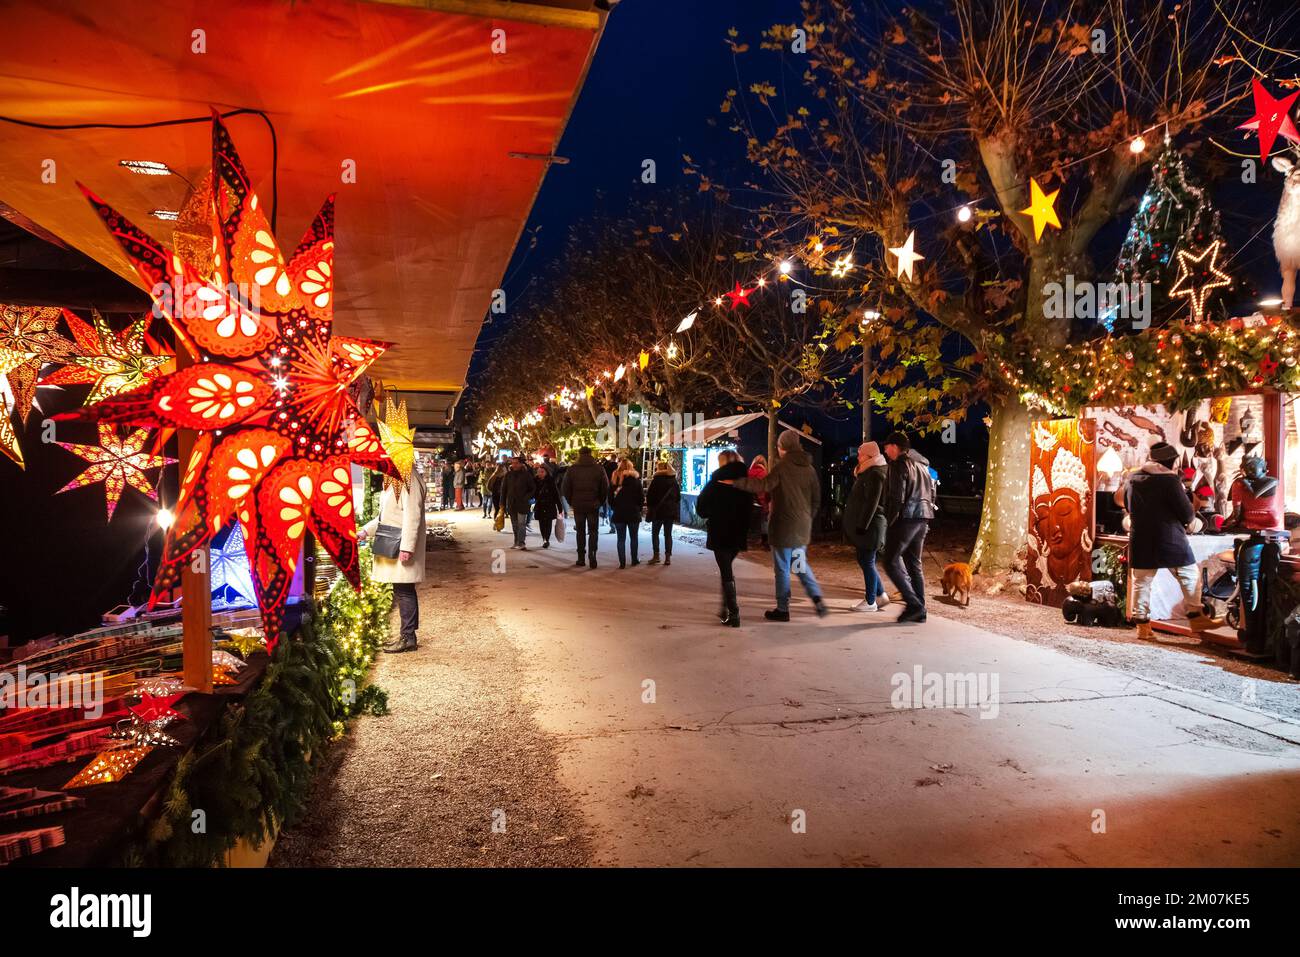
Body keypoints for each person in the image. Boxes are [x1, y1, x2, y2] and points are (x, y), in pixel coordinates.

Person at [1116, 440, 1221, 639]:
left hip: (1141, 538)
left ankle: (1143, 628)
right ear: (1171, 461)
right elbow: (1186, 514)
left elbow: (1128, 506)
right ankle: (1197, 619)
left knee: (1142, 582)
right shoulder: (1170, 480)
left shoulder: (1132, 478)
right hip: (1170, 538)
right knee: (1190, 576)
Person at [727, 430, 827, 620]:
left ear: (785, 448)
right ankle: (816, 598)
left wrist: (737, 482)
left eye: (780, 447)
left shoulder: (782, 468)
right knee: (799, 565)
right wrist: (807, 518)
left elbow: (763, 485)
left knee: (782, 568)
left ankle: (783, 609)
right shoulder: (810, 469)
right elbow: (816, 500)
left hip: (782, 527)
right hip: (801, 529)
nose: (779, 450)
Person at [359, 469, 428, 653]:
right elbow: (387, 515)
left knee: (404, 590)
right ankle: (407, 635)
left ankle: (408, 637)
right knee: (402, 589)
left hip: (401, 543)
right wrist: (366, 530)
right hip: (395, 541)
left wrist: (407, 547)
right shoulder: (395, 477)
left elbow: (413, 515)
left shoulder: (407, 476)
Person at [882, 431, 936, 623]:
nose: (886, 451)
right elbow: (931, 493)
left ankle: (914, 605)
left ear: (895, 447)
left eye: (887, 447)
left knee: (890, 561)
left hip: (906, 518)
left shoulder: (898, 464)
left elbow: (897, 496)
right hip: (923, 517)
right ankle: (920, 609)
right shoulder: (922, 466)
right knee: (914, 563)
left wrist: (890, 520)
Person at [696, 450, 753, 627]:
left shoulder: (715, 483)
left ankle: (734, 612)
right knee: (726, 570)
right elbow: (750, 509)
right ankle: (725, 608)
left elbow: (702, 508)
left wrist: (714, 512)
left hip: (720, 531)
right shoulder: (745, 484)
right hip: (738, 533)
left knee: (726, 571)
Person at [843, 441, 890, 612]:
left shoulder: (876, 474)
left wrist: (862, 525)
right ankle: (880, 594)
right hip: (867, 526)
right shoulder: (868, 472)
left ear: (870, 456)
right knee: (864, 560)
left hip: (871, 527)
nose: (858, 455)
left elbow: (872, 502)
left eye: (861, 453)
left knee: (868, 561)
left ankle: (870, 601)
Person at [561, 447, 610, 568]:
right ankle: (592, 555)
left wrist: (571, 501)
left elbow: (565, 487)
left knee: (580, 531)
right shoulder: (599, 469)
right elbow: (605, 487)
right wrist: (600, 501)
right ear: (590, 454)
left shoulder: (572, 469)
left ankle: (581, 558)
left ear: (579, 454)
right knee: (593, 531)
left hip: (578, 504)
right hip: (593, 504)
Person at [610, 458, 644, 569]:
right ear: (631, 467)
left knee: (621, 539)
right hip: (633, 513)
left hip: (619, 513)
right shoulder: (636, 481)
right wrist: (638, 509)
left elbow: (610, 498)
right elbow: (641, 498)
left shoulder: (615, 480)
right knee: (634, 537)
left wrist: (614, 507)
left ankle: (622, 562)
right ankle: (634, 560)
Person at [645, 459, 681, 565]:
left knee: (655, 533)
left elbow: (650, 496)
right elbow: (678, 497)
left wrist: (651, 507)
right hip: (669, 512)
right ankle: (668, 558)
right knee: (668, 534)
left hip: (658, 511)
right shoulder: (673, 481)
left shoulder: (656, 480)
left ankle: (656, 555)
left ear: (659, 468)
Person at [501, 456, 536, 549]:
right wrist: (502, 503)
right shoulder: (508, 475)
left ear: (521, 464)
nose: (514, 465)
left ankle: (521, 542)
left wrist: (526, 497)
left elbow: (533, 489)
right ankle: (516, 541)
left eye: (516, 463)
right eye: (513, 463)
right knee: (514, 524)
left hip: (522, 503)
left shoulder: (526, 475)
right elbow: (503, 490)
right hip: (512, 503)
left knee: (521, 524)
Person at [531, 463, 563, 548]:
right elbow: (532, 493)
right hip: (539, 505)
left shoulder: (551, 481)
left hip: (549, 505)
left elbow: (556, 494)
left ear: (546, 472)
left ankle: (547, 539)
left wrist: (560, 508)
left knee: (548, 523)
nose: (540, 473)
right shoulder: (534, 481)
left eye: (542, 472)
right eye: (538, 472)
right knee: (542, 523)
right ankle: (544, 538)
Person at [748, 454, 771, 548]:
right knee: (764, 521)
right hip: (762, 501)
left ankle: (751, 540)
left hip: (751, 501)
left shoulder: (748, 472)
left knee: (752, 521)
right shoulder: (765, 474)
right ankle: (765, 542)